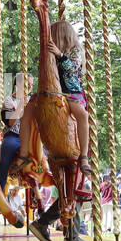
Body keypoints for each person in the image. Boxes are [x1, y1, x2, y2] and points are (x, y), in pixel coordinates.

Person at [46, 18, 93, 175]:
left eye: (53, 35)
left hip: (71, 92)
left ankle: (84, 155)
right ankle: (27, 152)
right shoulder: (53, 52)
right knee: (30, 110)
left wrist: (59, 54)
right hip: (54, 92)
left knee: (82, 114)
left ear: (61, 35)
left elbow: (72, 68)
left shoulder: (75, 50)